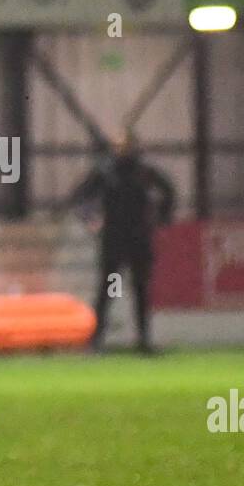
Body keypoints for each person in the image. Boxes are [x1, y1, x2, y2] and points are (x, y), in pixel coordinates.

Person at [67, 131, 175, 354]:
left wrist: (161, 218)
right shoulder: (106, 172)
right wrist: (91, 219)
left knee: (140, 289)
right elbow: (80, 197)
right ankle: (96, 340)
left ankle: (143, 339)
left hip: (138, 236)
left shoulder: (142, 172)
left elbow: (169, 192)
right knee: (107, 290)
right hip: (114, 238)